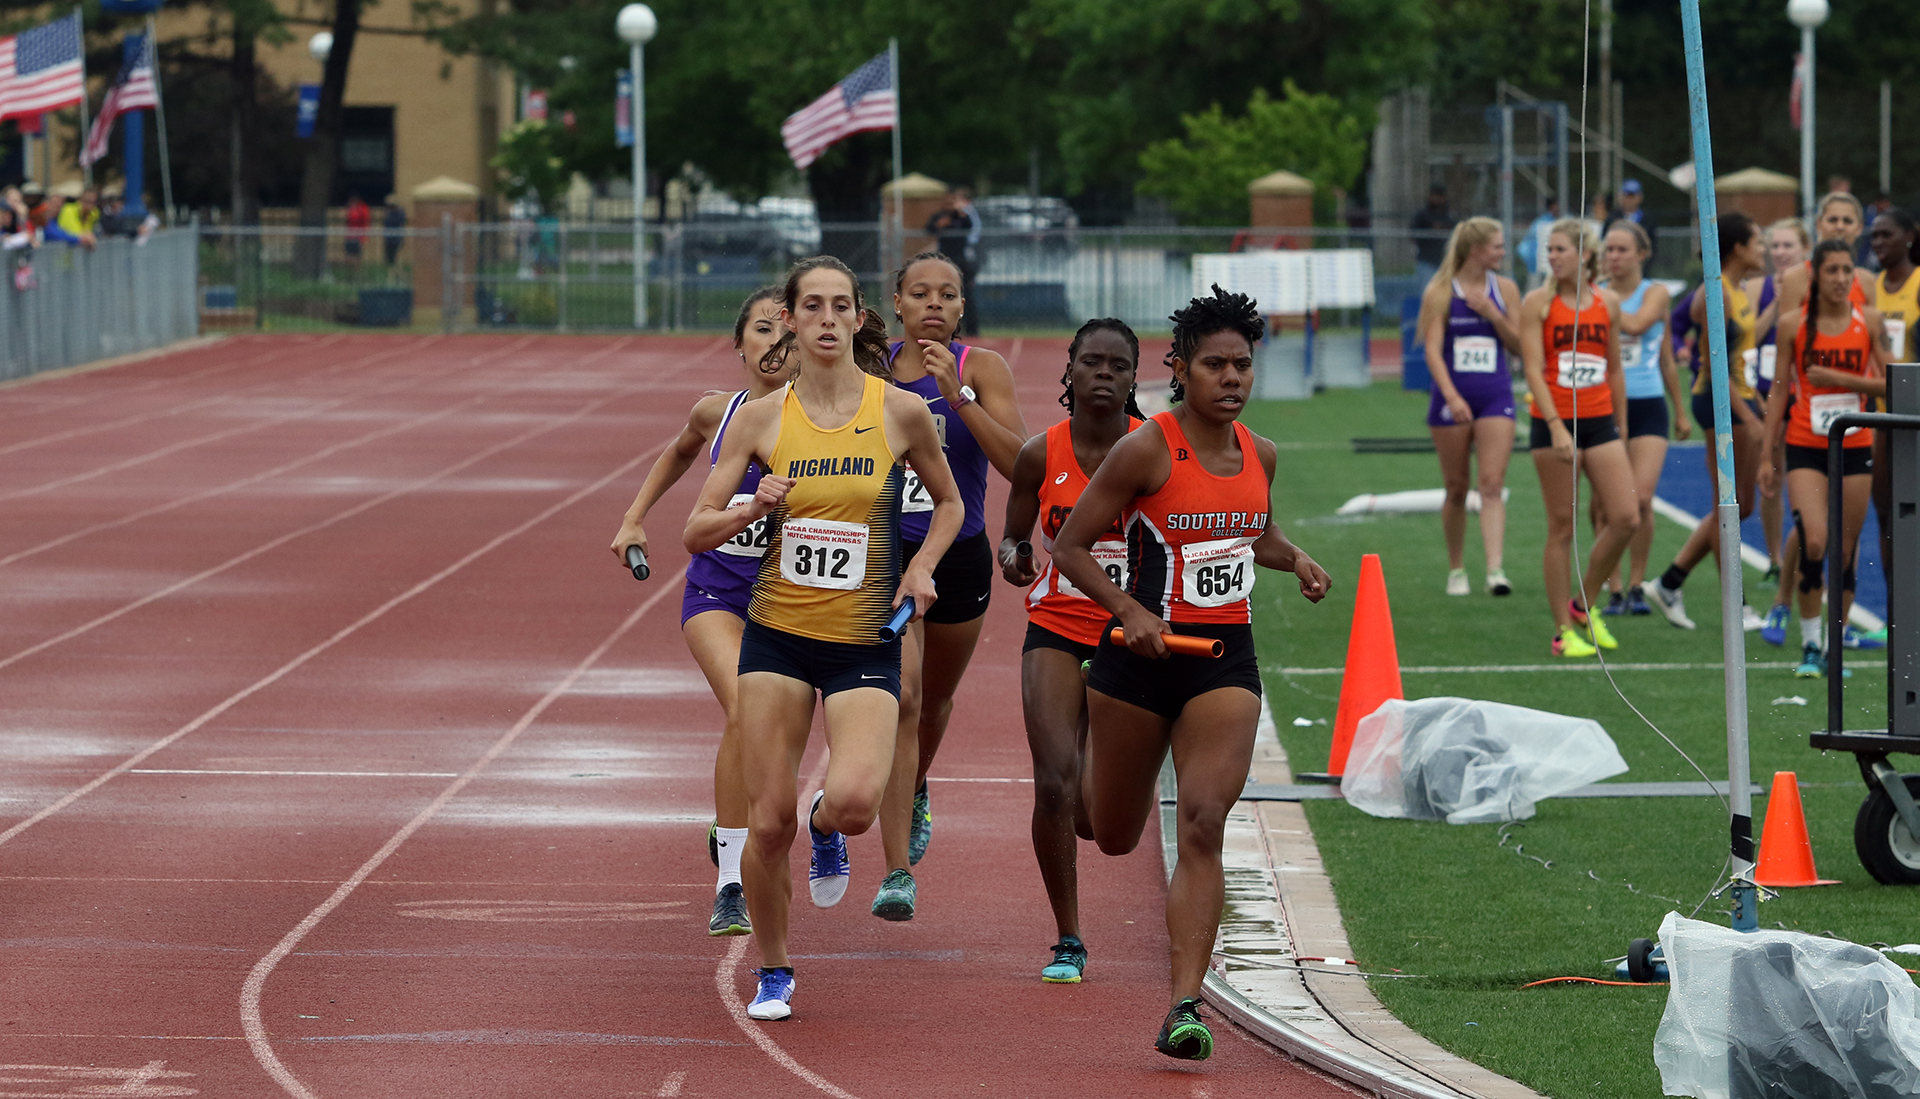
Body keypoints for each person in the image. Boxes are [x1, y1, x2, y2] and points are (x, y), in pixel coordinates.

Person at [1052, 285, 1329, 1060]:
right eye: (1215, 364)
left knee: (1204, 820)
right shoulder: (1145, 448)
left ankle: (1184, 1003)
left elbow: (1252, 533)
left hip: (1222, 662)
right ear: (1180, 368)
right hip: (1136, 662)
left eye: (1243, 364)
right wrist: (1127, 612)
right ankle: (1078, 765)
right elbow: (1070, 546)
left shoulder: (1260, 454)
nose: (1233, 378)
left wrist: (1295, 557)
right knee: (1109, 833)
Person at [683, 256, 962, 1022]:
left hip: (864, 635)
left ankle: (826, 828)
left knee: (857, 800)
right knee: (765, 819)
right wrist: (750, 505)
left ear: (860, 317)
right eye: (814, 306)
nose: (829, 319)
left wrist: (924, 567)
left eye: (842, 306)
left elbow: (949, 503)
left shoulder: (899, 410)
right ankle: (775, 970)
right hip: (776, 635)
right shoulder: (761, 418)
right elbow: (695, 528)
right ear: (795, 321)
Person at [611, 288, 793, 938]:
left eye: (787, 332)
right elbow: (679, 450)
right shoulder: (720, 410)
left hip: (794, 601)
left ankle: (737, 821)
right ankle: (731, 883)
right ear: (739, 342)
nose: (775, 343)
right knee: (748, 706)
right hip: (716, 595)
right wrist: (635, 517)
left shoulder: (830, 422)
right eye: (762, 329)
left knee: (771, 732)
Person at [873, 250, 1027, 921]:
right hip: (886, 554)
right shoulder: (868, 371)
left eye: (948, 294)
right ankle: (897, 870)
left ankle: (916, 785)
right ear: (898, 304)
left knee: (934, 701)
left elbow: (1022, 464)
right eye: (920, 293)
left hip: (958, 554)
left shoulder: (981, 369)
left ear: (962, 308)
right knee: (902, 697)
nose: (934, 303)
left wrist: (957, 396)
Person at [998, 318, 1144, 985]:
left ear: (1137, 376)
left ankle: (1095, 767)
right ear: (1070, 372)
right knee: (1053, 779)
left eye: (1118, 363)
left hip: (1130, 634)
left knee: (1096, 816)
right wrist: (1015, 557)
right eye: (1092, 362)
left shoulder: (1153, 452)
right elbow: (1013, 535)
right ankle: (1068, 937)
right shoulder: (1039, 453)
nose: (1105, 373)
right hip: (1056, 625)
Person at [1759, 238, 1886, 677]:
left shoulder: (1869, 321)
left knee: (1845, 552)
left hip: (1853, 446)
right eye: (1831, 270)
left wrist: (1837, 376)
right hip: (1806, 444)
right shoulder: (1793, 325)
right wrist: (1766, 454)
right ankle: (1810, 645)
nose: (1839, 279)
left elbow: (1891, 385)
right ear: (1815, 275)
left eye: (1847, 271)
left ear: (1855, 275)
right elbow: (1778, 390)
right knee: (1814, 540)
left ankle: (1834, 644)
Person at [1517, 218, 1638, 657]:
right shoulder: (1538, 304)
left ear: (1585, 255)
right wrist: (1554, 426)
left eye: (1560, 249)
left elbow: (1614, 368)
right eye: (1549, 250)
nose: (1552, 257)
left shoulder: (1608, 303)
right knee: (1562, 525)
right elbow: (1533, 369)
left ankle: (1583, 601)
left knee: (1627, 516)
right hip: (1554, 424)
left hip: (1600, 418)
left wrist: (1621, 427)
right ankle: (1561, 629)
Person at [1643, 213, 1767, 631]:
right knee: (1730, 505)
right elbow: (1714, 369)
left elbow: (1742, 350)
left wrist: (1759, 403)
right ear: (1738, 247)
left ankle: (1670, 581)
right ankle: (1738, 605)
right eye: (1758, 241)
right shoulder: (1716, 294)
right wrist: (1750, 417)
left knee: (1741, 504)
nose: (1763, 248)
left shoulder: (1741, 289)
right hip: (1719, 404)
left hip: (1740, 400)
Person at [1415, 217, 1521, 597]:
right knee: (1457, 488)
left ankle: (1495, 570)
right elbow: (1432, 350)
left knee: (1492, 484)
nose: (1503, 252)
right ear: (1476, 250)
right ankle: (1457, 569)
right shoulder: (1440, 291)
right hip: (1452, 399)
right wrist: (1452, 396)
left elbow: (1520, 345)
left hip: (1495, 395)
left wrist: (1494, 315)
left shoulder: (1505, 289)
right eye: (1497, 245)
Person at [1596, 221, 1689, 614]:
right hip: (1602, 404)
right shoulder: (1594, 294)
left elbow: (1660, 350)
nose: (1614, 257)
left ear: (1641, 254)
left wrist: (1680, 410)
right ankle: (1613, 587)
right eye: (1609, 250)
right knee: (1606, 503)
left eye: (1621, 250)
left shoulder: (1654, 294)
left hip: (1648, 402)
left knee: (1642, 498)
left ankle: (1637, 583)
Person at [1752, 218, 1811, 606]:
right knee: (1770, 477)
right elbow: (1747, 339)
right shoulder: (1757, 287)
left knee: (1802, 480)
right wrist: (1775, 302)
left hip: (1803, 395)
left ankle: (1800, 551)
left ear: (1804, 248)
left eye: (1788, 245)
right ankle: (1774, 556)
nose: (1780, 253)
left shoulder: (1815, 285)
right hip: (1764, 393)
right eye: (1774, 246)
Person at [924, 191, 980, 336]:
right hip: (944, 259)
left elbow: (970, 227)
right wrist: (939, 225)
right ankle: (949, 327)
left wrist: (960, 215)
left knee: (966, 293)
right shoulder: (940, 216)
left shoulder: (962, 217)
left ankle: (972, 329)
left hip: (960, 259)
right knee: (944, 293)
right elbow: (929, 228)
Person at [1409, 184, 1454, 284]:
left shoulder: (1448, 214)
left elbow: (1455, 229)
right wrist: (1431, 231)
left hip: (1445, 261)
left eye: (1440, 196)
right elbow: (1413, 233)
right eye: (1435, 195)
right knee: (1427, 291)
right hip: (1427, 261)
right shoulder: (1422, 215)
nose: (1438, 199)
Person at [1606, 179, 1658, 262]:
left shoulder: (1647, 219)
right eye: (1626, 196)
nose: (1629, 199)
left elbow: (1652, 245)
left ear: (1640, 197)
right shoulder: (1612, 217)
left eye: (1632, 196)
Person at [1517, 196, 1560, 285]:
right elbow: (1525, 246)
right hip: (1537, 266)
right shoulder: (1542, 223)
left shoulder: (1541, 222)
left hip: (1545, 266)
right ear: (1553, 206)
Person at [344, 194, 371, 267]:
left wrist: (364, 237)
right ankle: (351, 271)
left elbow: (365, 222)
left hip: (358, 237)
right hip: (350, 236)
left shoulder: (362, 209)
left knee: (357, 256)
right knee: (348, 255)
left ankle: (357, 273)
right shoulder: (350, 209)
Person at [382, 195, 407, 266]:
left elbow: (400, 222)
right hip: (388, 239)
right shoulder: (388, 213)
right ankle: (391, 272)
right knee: (388, 259)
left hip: (396, 239)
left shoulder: (399, 213)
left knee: (395, 258)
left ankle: (397, 272)